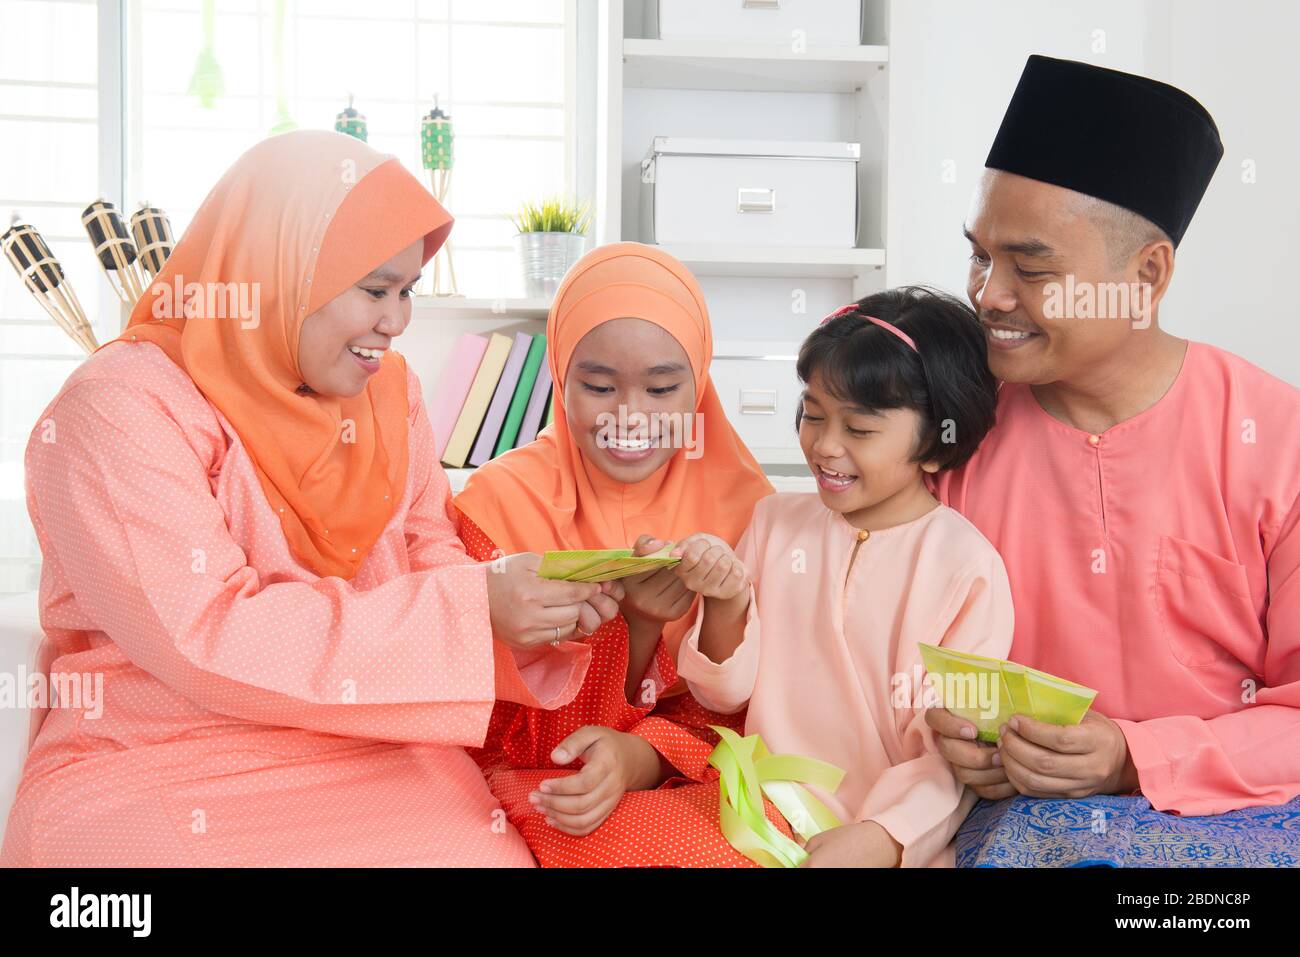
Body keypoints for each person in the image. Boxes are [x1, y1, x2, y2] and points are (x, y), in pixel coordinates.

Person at [0, 130, 619, 867]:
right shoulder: (118, 407)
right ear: (279, 271)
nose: (397, 322)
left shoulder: (391, 395)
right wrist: (475, 606)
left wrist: (524, 614)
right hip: (157, 750)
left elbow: (431, 559)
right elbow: (205, 635)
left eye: (408, 290)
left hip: (375, 743)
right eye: (374, 289)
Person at [928, 55, 1300, 864]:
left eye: (1030, 268)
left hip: (1250, 812)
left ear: (1147, 275)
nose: (989, 295)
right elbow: (882, 645)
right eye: (979, 256)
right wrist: (947, 722)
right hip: (1024, 824)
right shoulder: (950, 433)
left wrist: (1136, 755)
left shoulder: (1277, 438)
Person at [453, 242, 782, 866]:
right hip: (547, 782)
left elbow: (762, 714)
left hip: (695, 773)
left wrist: (645, 754)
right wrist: (634, 629)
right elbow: (483, 727)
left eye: (662, 388)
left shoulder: (753, 513)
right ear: (560, 376)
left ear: (701, 383)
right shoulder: (495, 506)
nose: (630, 417)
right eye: (599, 386)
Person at [677, 287, 1014, 867]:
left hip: (885, 835)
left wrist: (886, 837)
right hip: (753, 806)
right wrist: (727, 604)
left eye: (858, 429)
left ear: (936, 443)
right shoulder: (773, 521)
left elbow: (951, 755)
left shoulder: (966, 567)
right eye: (812, 414)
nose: (824, 446)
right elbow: (722, 694)